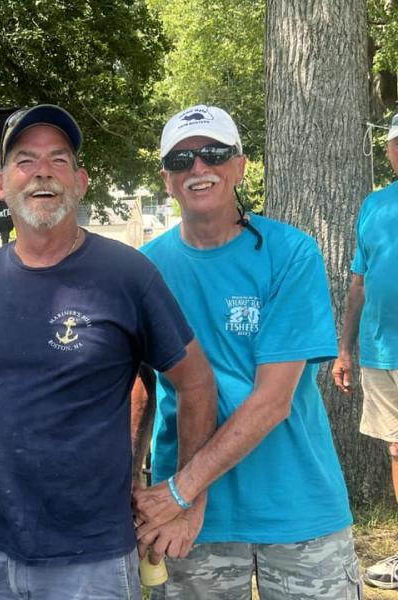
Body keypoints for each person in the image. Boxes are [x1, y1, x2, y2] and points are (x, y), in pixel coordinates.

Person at [0, 104, 218, 600]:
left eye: (59, 159)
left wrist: (187, 495)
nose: (43, 171)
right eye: (25, 160)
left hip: (90, 554)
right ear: (1, 185)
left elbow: (196, 382)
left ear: (81, 181)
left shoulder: (128, 275)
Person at [133, 104, 361, 599]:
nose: (198, 169)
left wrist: (180, 491)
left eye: (213, 154)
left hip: (297, 508)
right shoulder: (143, 270)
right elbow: (137, 394)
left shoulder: (291, 253)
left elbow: (272, 401)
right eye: (181, 161)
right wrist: (136, 497)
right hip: (189, 523)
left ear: (239, 165)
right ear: (166, 180)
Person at [332, 112, 398, 590]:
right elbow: (358, 282)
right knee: (397, 449)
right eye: (397, 141)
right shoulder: (373, 205)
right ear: (389, 149)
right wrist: (344, 348)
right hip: (379, 351)